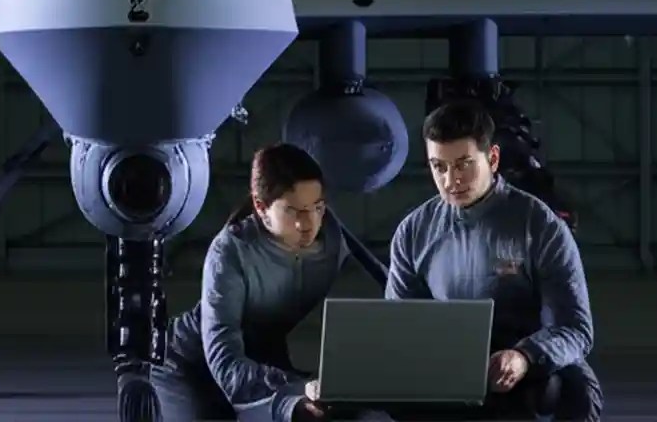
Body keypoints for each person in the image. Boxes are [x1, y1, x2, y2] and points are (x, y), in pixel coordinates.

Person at [384, 99, 603, 421]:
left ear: (493, 158)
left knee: (576, 390)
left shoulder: (539, 226)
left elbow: (575, 328)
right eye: (439, 167)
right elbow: (400, 326)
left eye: (464, 165)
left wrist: (525, 356)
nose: (451, 180)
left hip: (528, 359)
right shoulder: (414, 232)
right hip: (449, 362)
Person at [152, 143, 349, 422]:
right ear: (260, 206)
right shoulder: (231, 250)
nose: (307, 224)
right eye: (293, 210)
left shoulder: (331, 237)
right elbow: (224, 360)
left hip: (260, 353)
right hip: (191, 362)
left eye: (316, 207)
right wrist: (294, 388)